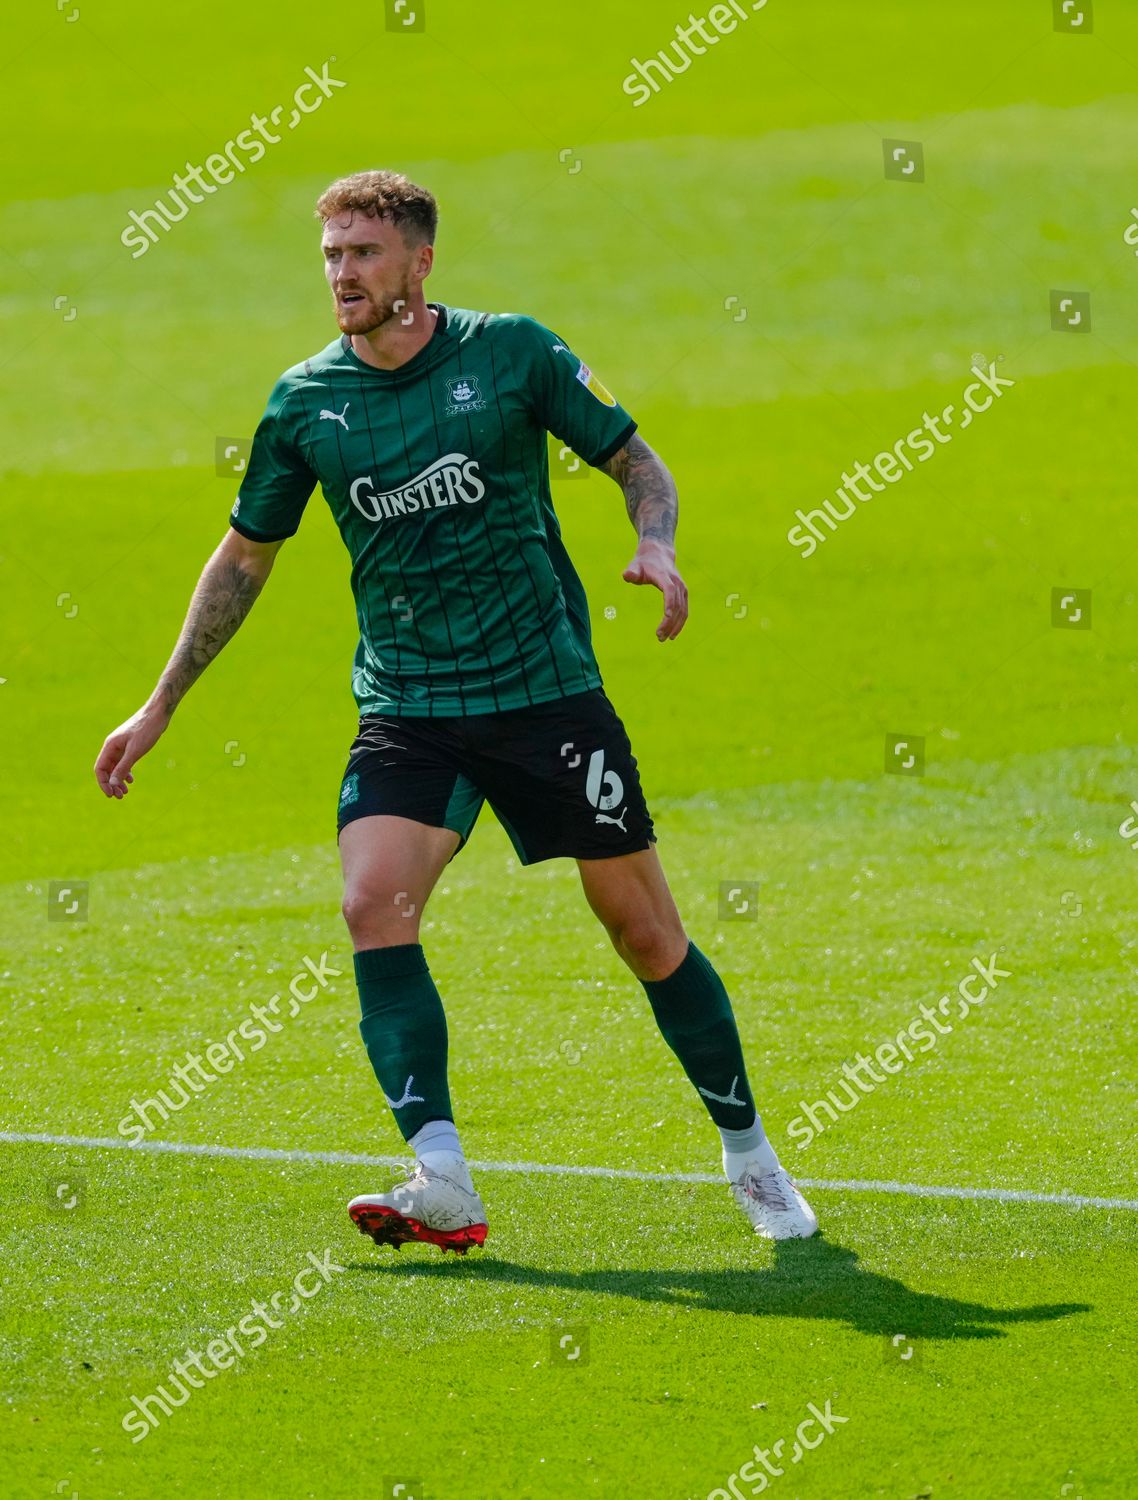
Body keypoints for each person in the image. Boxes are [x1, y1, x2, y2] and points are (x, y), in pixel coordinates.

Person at [94, 169, 818, 1254]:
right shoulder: (304, 403)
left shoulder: (512, 352)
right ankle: (442, 1178)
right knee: (370, 904)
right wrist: (160, 706)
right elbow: (245, 558)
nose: (343, 274)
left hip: (543, 695)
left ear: (420, 263)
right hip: (409, 705)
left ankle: (750, 1156)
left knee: (644, 932)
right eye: (332, 254)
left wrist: (654, 543)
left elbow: (634, 459)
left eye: (364, 254)